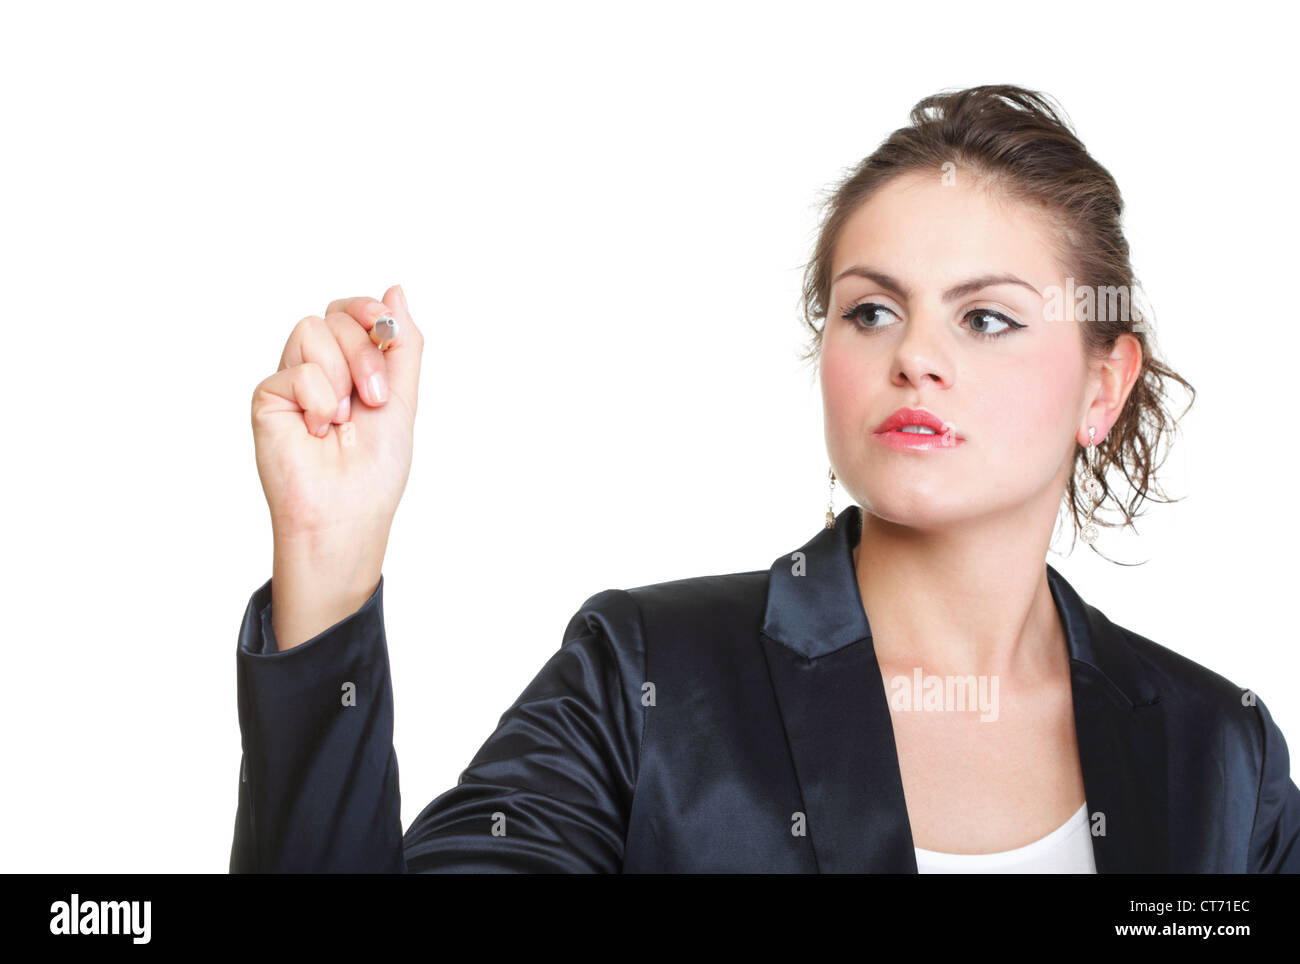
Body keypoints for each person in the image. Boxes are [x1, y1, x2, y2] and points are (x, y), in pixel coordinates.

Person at [231, 84, 1300, 873]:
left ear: (1101, 389)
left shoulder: (1215, 753)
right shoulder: (646, 679)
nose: (914, 356)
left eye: (985, 317)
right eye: (871, 309)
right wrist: (330, 570)